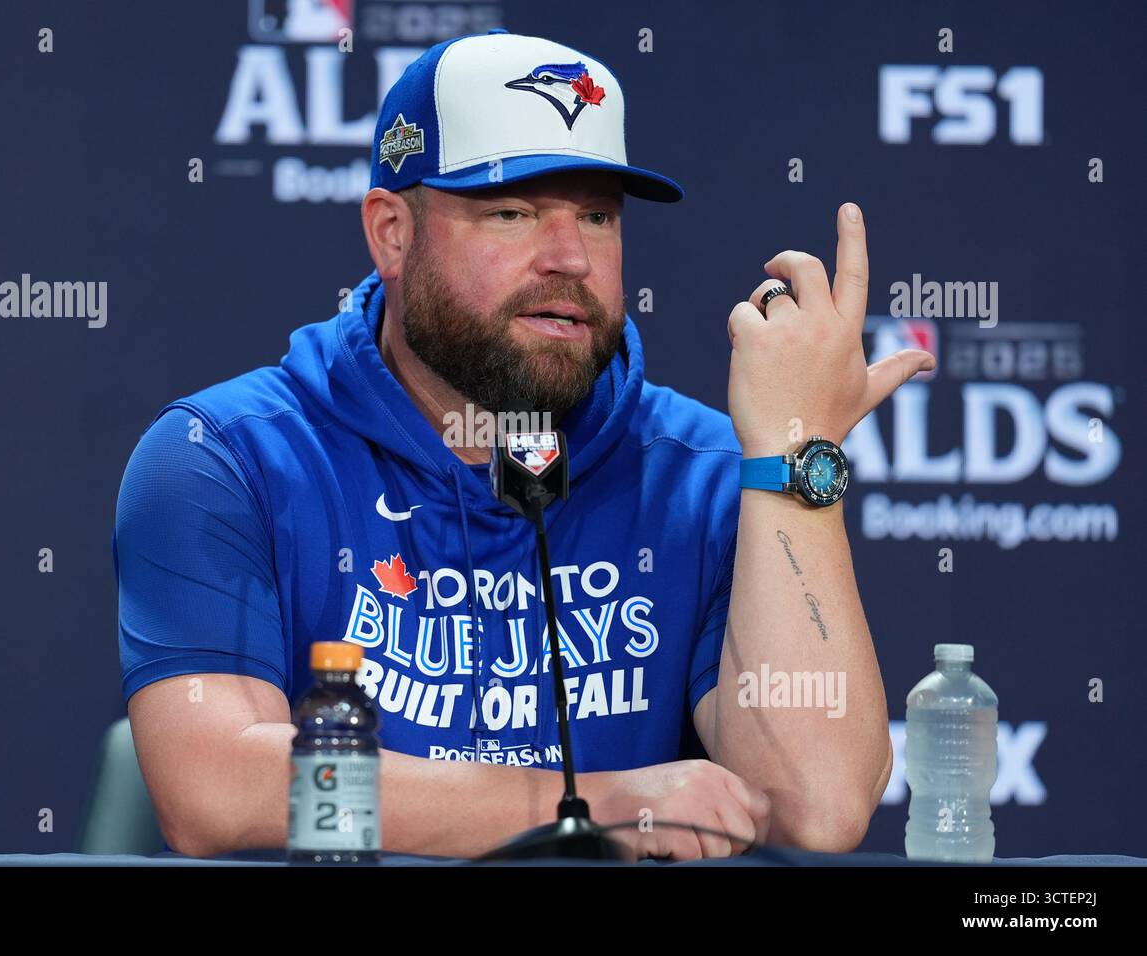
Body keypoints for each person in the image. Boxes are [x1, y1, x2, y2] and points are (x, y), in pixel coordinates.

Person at [114, 30, 934, 861]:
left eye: (597, 217)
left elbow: (819, 809)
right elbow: (216, 788)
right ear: (392, 232)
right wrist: (590, 806)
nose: (571, 258)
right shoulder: (224, 456)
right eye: (511, 213)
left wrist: (798, 455)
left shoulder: (709, 471)